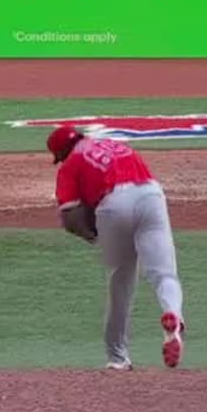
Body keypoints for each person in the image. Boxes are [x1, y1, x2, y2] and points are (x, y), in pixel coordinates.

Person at [46, 123, 186, 371]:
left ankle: (118, 357)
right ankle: (173, 316)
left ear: (62, 152)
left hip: (113, 204)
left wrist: (95, 235)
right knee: (164, 273)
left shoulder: (70, 164)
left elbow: (70, 218)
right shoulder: (116, 145)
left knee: (120, 283)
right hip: (151, 195)